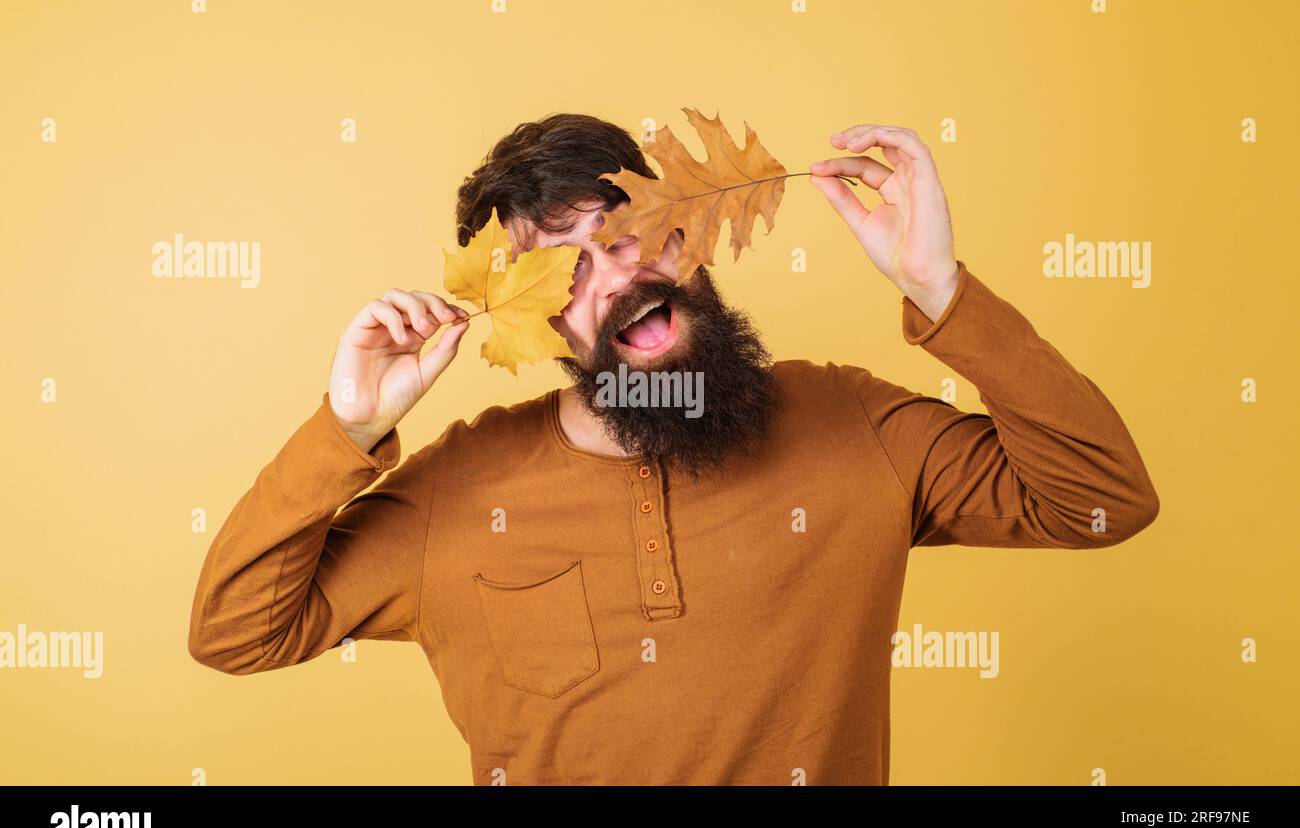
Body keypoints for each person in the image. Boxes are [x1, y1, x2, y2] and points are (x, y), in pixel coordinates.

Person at [187, 113, 1159, 785]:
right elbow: (235, 629)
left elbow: (1100, 497)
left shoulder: (849, 423)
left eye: (627, 235)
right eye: (560, 272)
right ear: (527, 323)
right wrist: (348, 428)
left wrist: (942, 289)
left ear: (686, 236)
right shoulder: (462, 491)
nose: (612, 280)